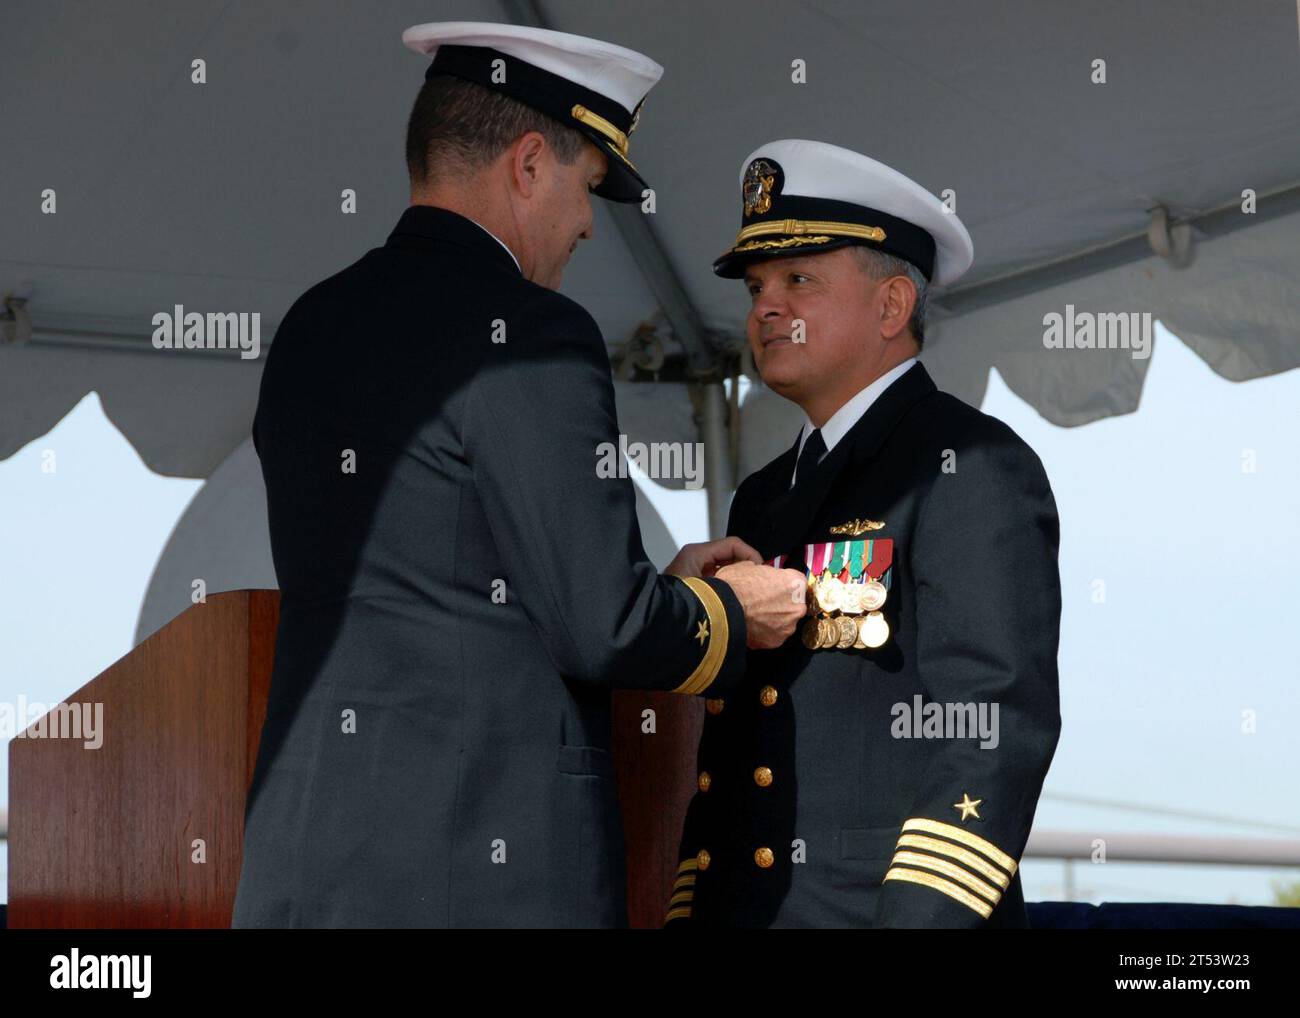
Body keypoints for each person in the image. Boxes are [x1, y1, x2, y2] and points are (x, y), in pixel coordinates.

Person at [231, 23, 805, 929]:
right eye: (586, 189)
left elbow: (445, 579)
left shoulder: (311, 324)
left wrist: (656, 592)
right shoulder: (532, 333)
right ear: (530, 164)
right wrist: (735, 610)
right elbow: (604, 629)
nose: (584, 223)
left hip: (310, 867)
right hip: (481, 874)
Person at [666, 139, 1062, 928]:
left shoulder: (967, 464)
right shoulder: (762, 498)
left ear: (891, 307)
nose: (764, 308)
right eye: (756, 287)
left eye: (798, 280)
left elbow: (989, 722)